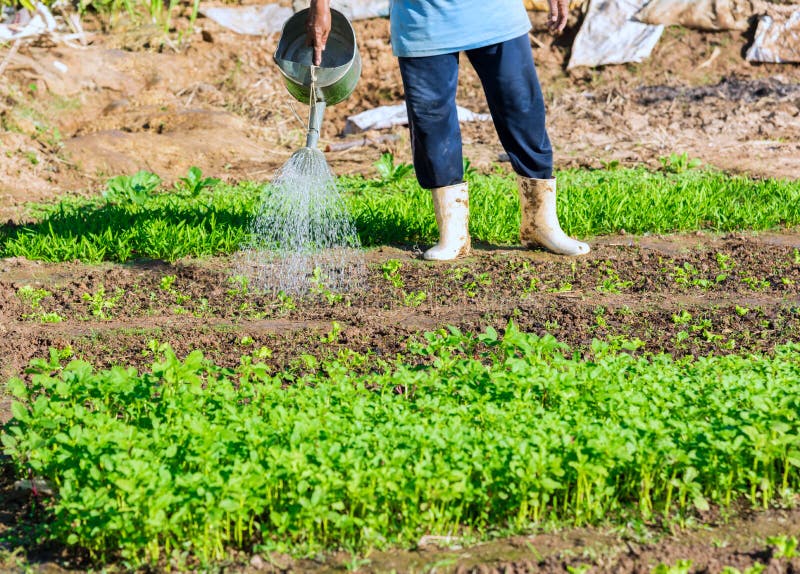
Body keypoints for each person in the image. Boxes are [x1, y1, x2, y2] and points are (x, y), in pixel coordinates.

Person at [306, 0, 590, 260]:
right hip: (423, 18)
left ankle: (542, 224)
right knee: (432, 120)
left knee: (522, 108)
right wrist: (320, 6)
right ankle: (453, 234)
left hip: (497, 14)